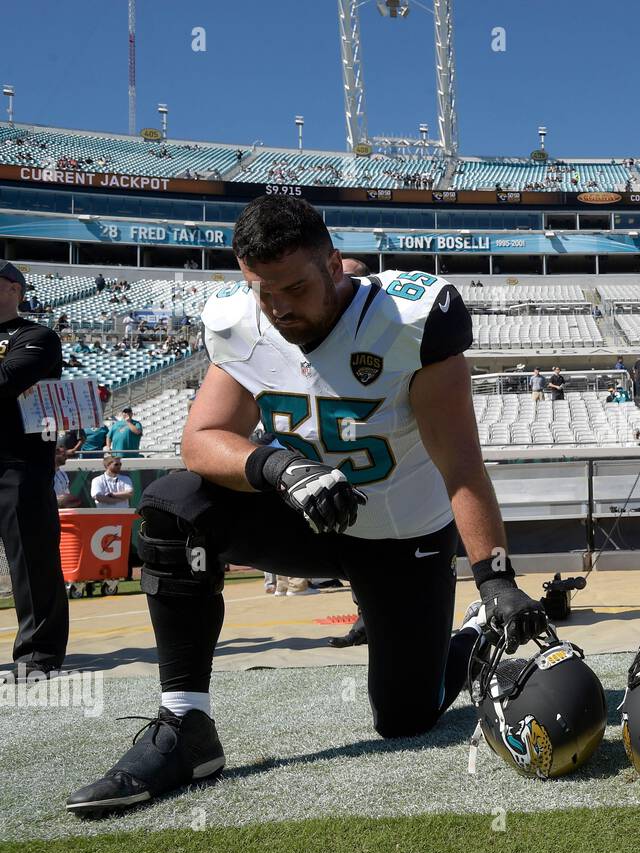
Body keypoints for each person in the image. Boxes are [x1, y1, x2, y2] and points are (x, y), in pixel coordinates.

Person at [65, 195, 549, 816]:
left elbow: (462, 467)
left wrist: (495, 579)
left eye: (294, 287)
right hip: (310, 514)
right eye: (263, 291)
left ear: (334, 265)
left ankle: (471, 637)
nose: (278, 308)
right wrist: (278, 466)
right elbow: (201, 439)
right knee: (174, 504)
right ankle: (186, 725)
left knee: (406, 718)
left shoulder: (409, 320)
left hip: (401, 534)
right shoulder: (241, 321)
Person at [0, 258, 69, 678]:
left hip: (18, 465)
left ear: (14, 288)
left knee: (31, 562)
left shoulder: (36, 336)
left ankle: (38, 655)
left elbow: (7, 380)